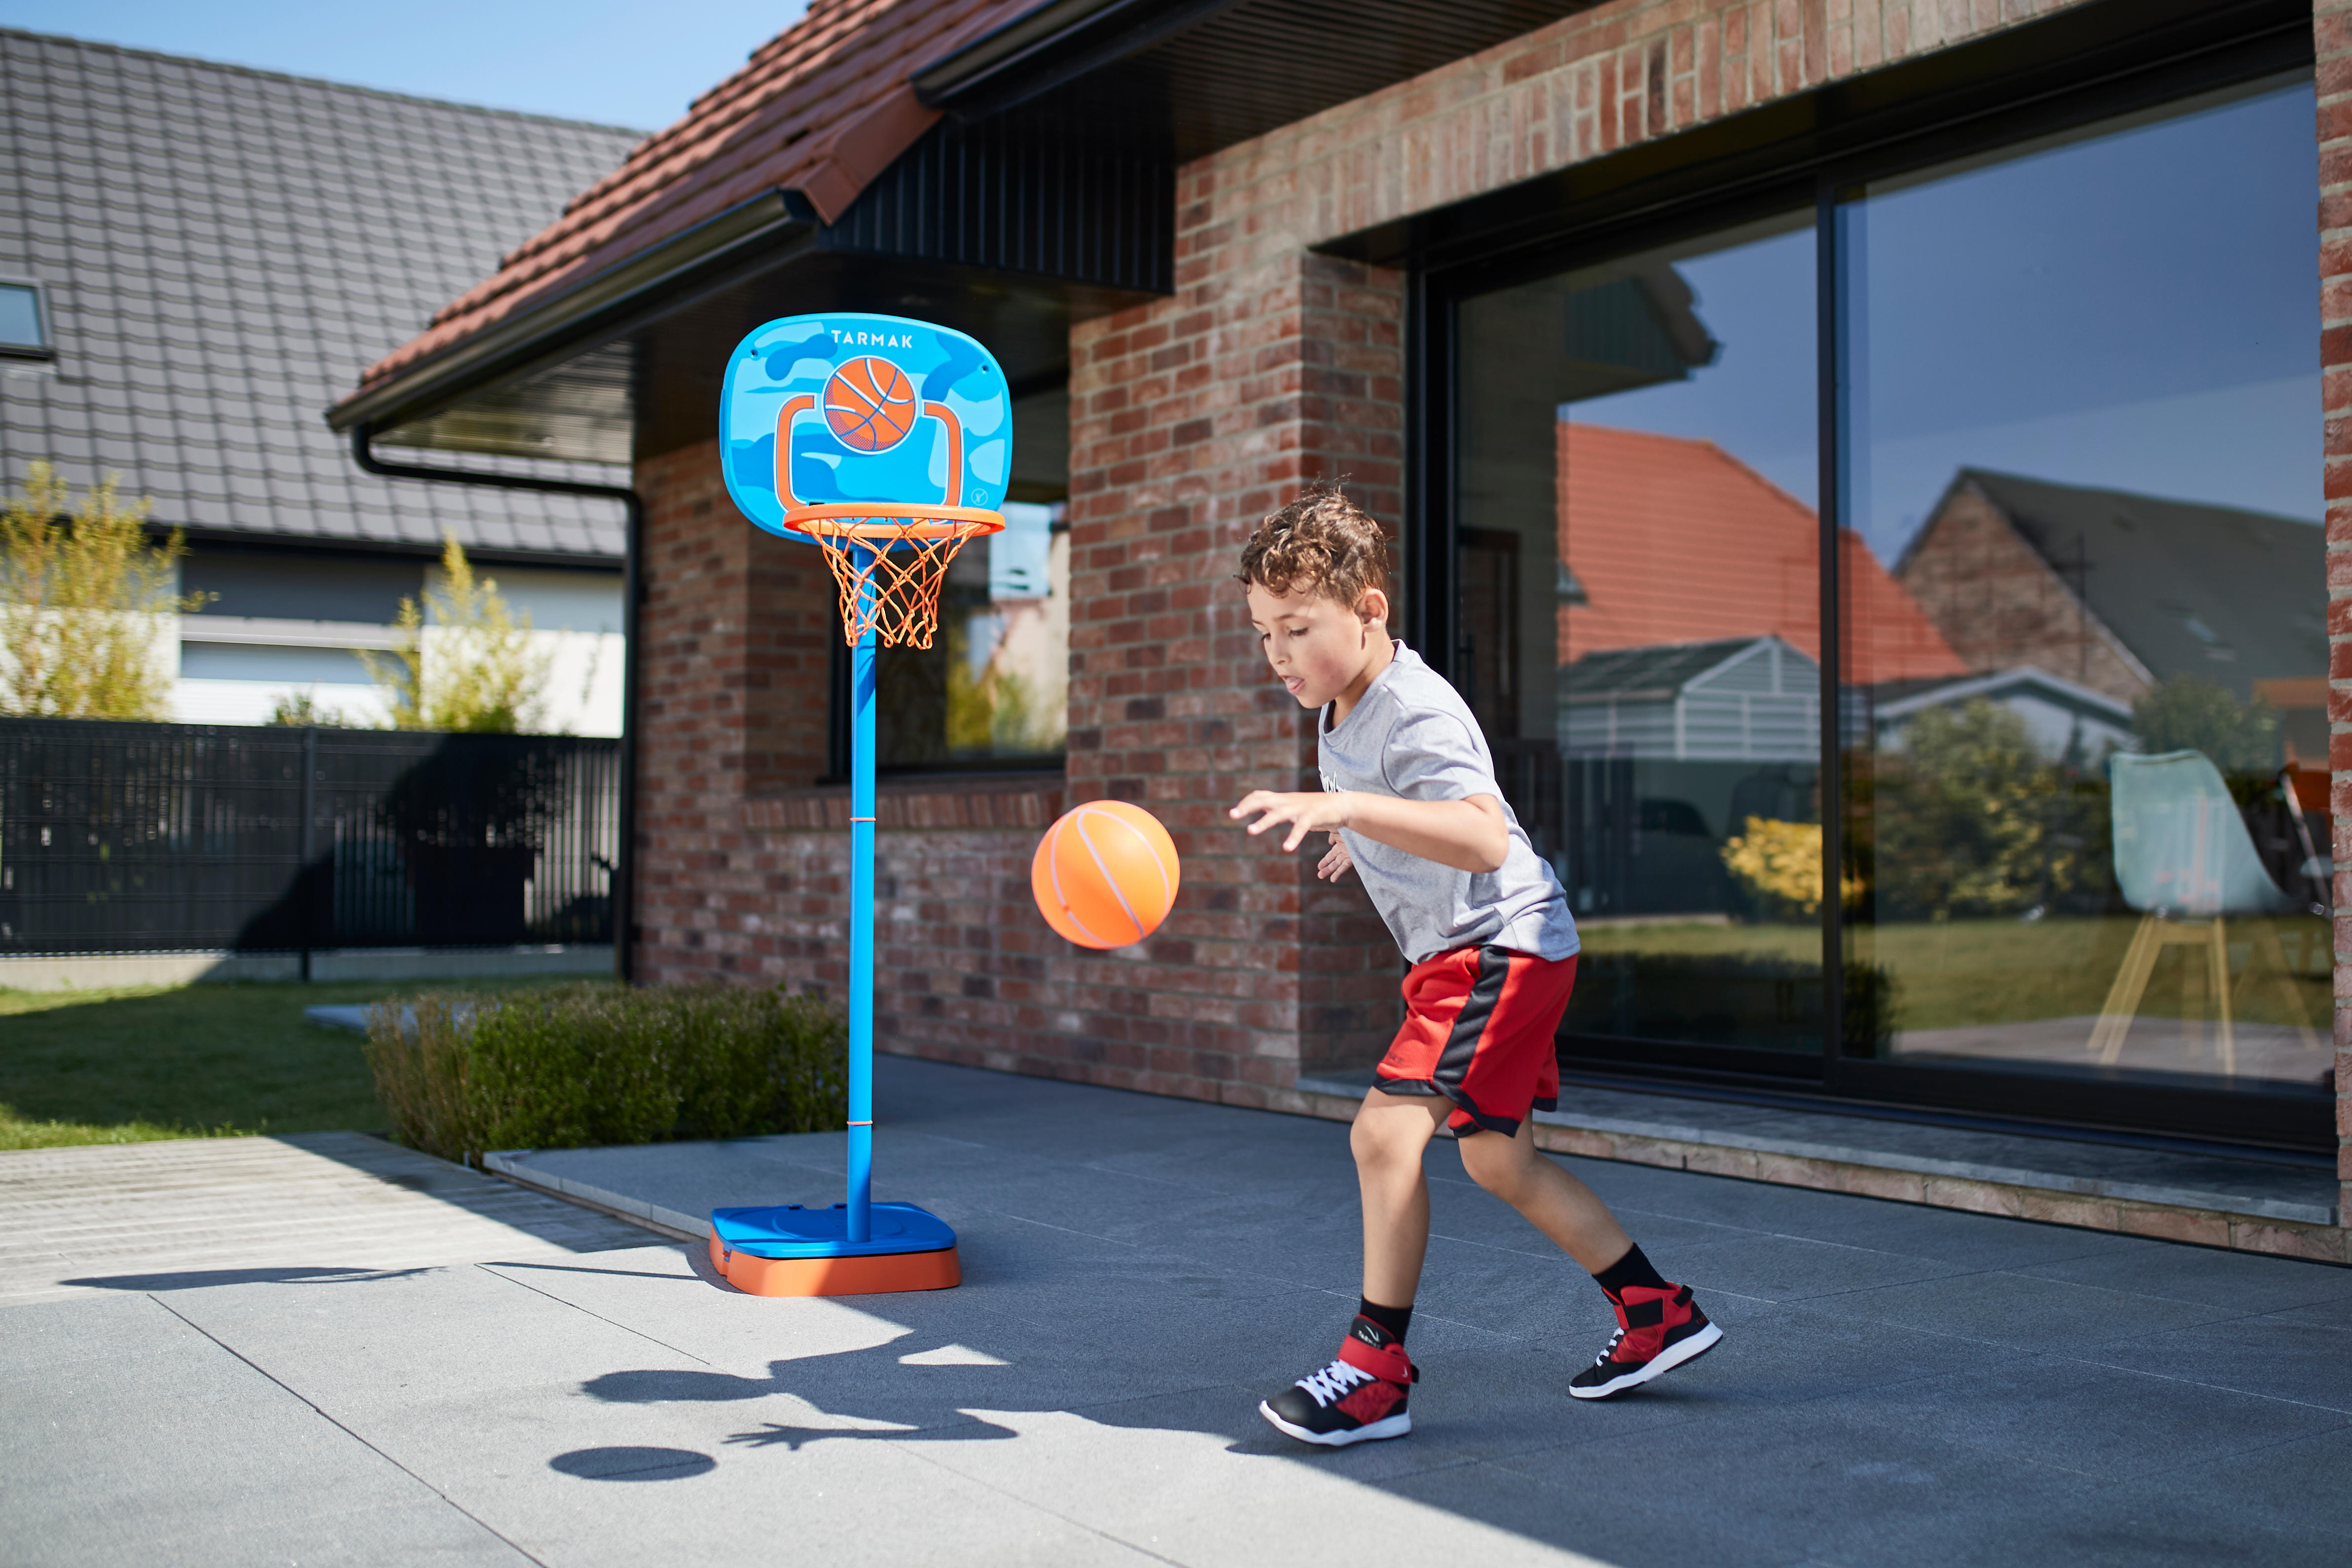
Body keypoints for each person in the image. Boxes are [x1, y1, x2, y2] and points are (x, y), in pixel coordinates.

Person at [1229, 483, 1719, 1447]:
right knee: (1498, 1158)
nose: (1277, 654)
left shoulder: (1412, 708)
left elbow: (1480, 834)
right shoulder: (1341, 703)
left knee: (1382, 1136)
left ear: (1368, 609)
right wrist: (1361, 840)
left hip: (1498, 945)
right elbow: (1401, 812)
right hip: (1492, 948)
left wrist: (1347, 815)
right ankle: (1654, 1309)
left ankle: (1375, 1368)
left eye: (1295, 628)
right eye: (1261, 634)